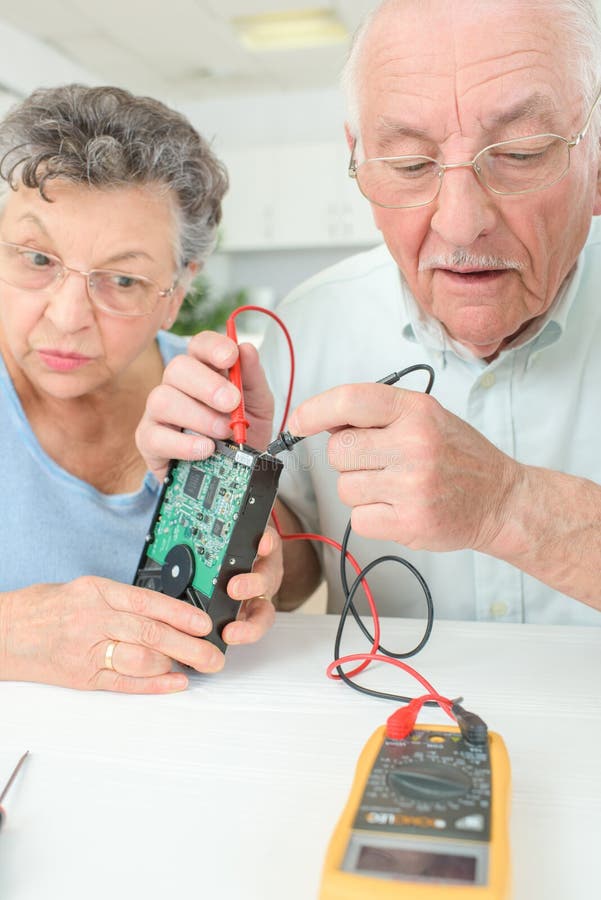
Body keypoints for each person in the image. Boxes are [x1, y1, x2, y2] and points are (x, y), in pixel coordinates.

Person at [142, 0, 601, 626]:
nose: (460, 222)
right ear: (358, 159)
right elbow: (295, 575)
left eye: (520, 153)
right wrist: (228, 511)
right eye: (410, 165)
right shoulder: (310, 325)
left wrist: (507, 504)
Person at [0, 84, 282, 694]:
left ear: (176, 294)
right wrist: (13, 630)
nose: (67, 317)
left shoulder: (212, 400)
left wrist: (261, 565)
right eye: (37, 260)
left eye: (123, 280)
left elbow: (298, 576)